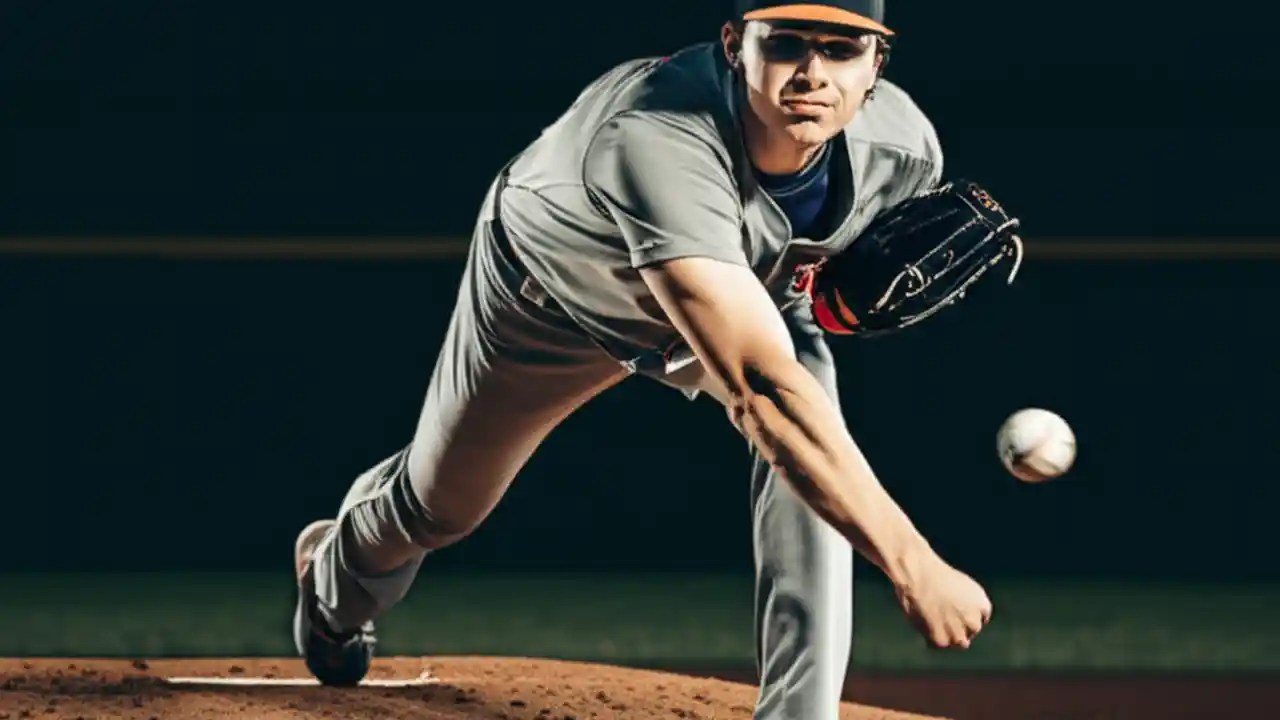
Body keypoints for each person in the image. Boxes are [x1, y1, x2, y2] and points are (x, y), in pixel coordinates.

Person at [291, 1, 993, 717]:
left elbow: (801, 330)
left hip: (741, 303)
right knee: (440, 506)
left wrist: (835, 306)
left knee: (818, 443)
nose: (812, 72)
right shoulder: (656, 134)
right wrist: (913, 564)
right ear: (734, 45)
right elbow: (763, 392)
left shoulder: (903, 154)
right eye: (786, 43)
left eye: (842, 49)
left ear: (878, 63)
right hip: (553, 301)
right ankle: (333, 579)